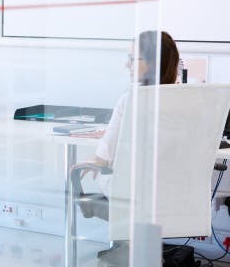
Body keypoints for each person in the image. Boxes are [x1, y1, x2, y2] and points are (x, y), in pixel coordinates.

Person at [77, 30, 181, 184]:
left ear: (152, 62)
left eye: (132, 59)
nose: (127, 65)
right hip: (182, 196)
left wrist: (96, 160)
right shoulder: (189, 100)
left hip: (135, 193)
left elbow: (104, 157)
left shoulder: (130, 101)